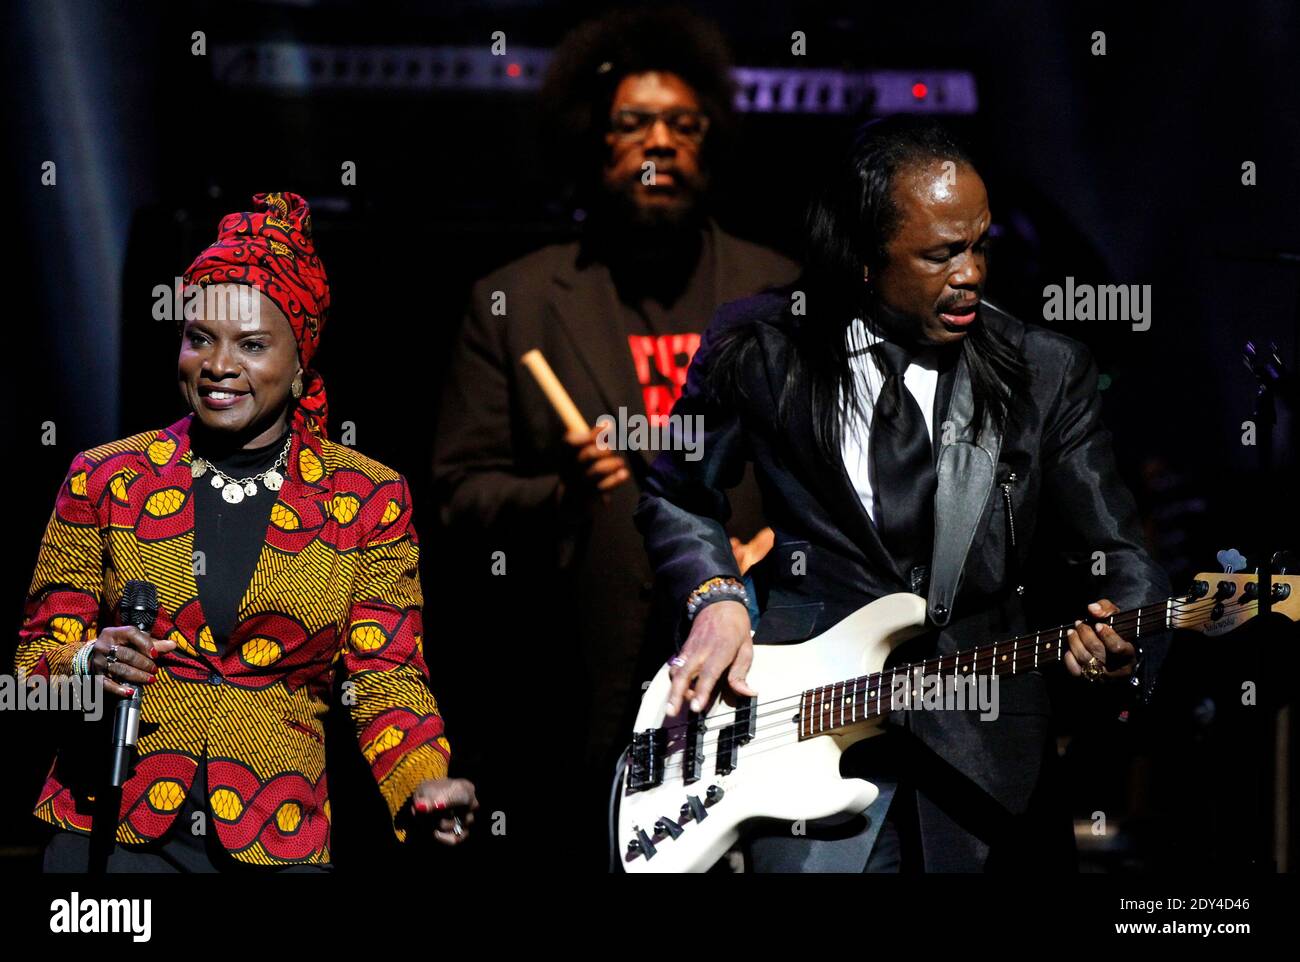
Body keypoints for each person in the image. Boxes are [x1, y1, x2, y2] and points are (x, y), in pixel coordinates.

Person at [635, 117, 1172, 872]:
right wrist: (716, 596)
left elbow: (1119, 555)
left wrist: (1124, 641)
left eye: (980, 244)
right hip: (802, 738)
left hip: (987, 766)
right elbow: (675, 491)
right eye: (941, 254)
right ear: (860, 257)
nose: (973, 274)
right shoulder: (760, 348)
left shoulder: (1044, 372)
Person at [432, 7, 796, 866]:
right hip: (576, 690)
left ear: (711, 142)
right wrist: (557, 490)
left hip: (759, 676)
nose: (658, 143)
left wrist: (779, 543)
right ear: (595, 142)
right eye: (633, 124)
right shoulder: (515, 300)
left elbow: (836, 481)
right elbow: (455, 495)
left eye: (683, 124)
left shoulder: (777, 293)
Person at [18, 191, 477, 871]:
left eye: (253, 345)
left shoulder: (366, 498)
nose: (219, 364)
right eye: (200, 337)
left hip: (276, 837)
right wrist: (88, 663)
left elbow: (387, 677)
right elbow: (31, 671)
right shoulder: (106, 477)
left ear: (300, 360)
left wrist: (421, 782)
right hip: (111, 832)